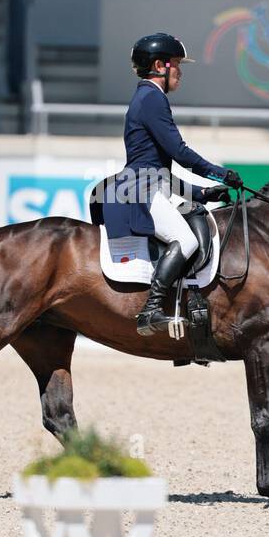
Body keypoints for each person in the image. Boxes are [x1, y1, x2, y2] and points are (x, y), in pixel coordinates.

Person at [103, 32, 243, 335]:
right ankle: (152, 309)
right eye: (177, 65)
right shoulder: (151, 98)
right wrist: (219, 173)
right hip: (139, 189)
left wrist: (203, 193)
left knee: (194, 220)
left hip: (150, 183)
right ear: (159, 65)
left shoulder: (148, 97)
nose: (180, 72)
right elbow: (178, 152)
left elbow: (161, 170)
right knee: (187, 239)